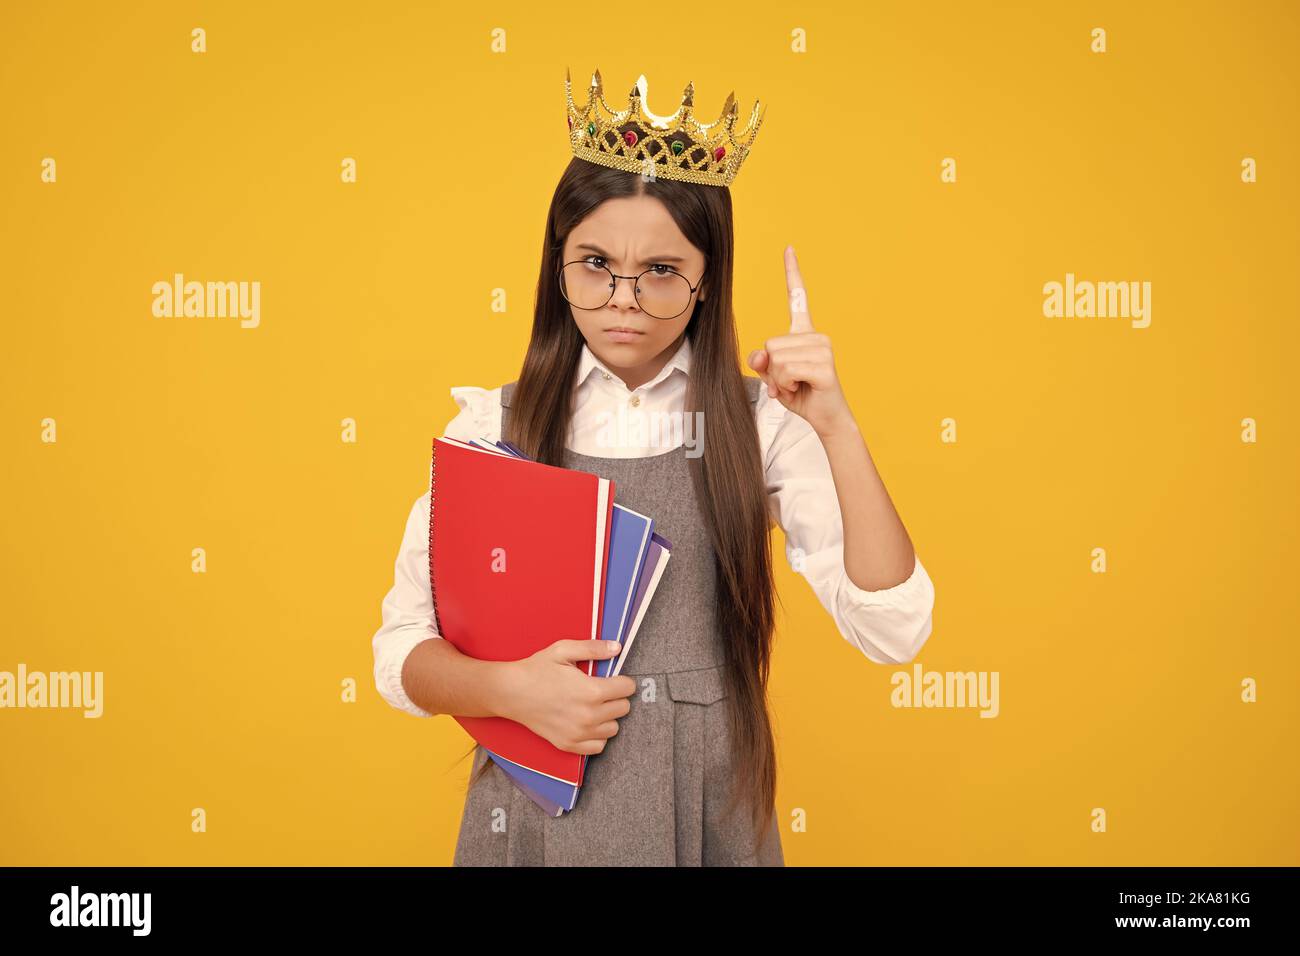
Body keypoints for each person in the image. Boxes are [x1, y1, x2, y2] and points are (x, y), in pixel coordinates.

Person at [372, 69, 936, 865]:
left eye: (663, 271)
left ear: (708, 283)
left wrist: (836, 426)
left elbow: (893, 628)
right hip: (533, 820)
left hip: (706, 810)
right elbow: (402, 654)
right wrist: (512, 693)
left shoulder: (756, 425)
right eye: (595, 263)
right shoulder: (491, 426)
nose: (624, 299)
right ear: (556, 265)